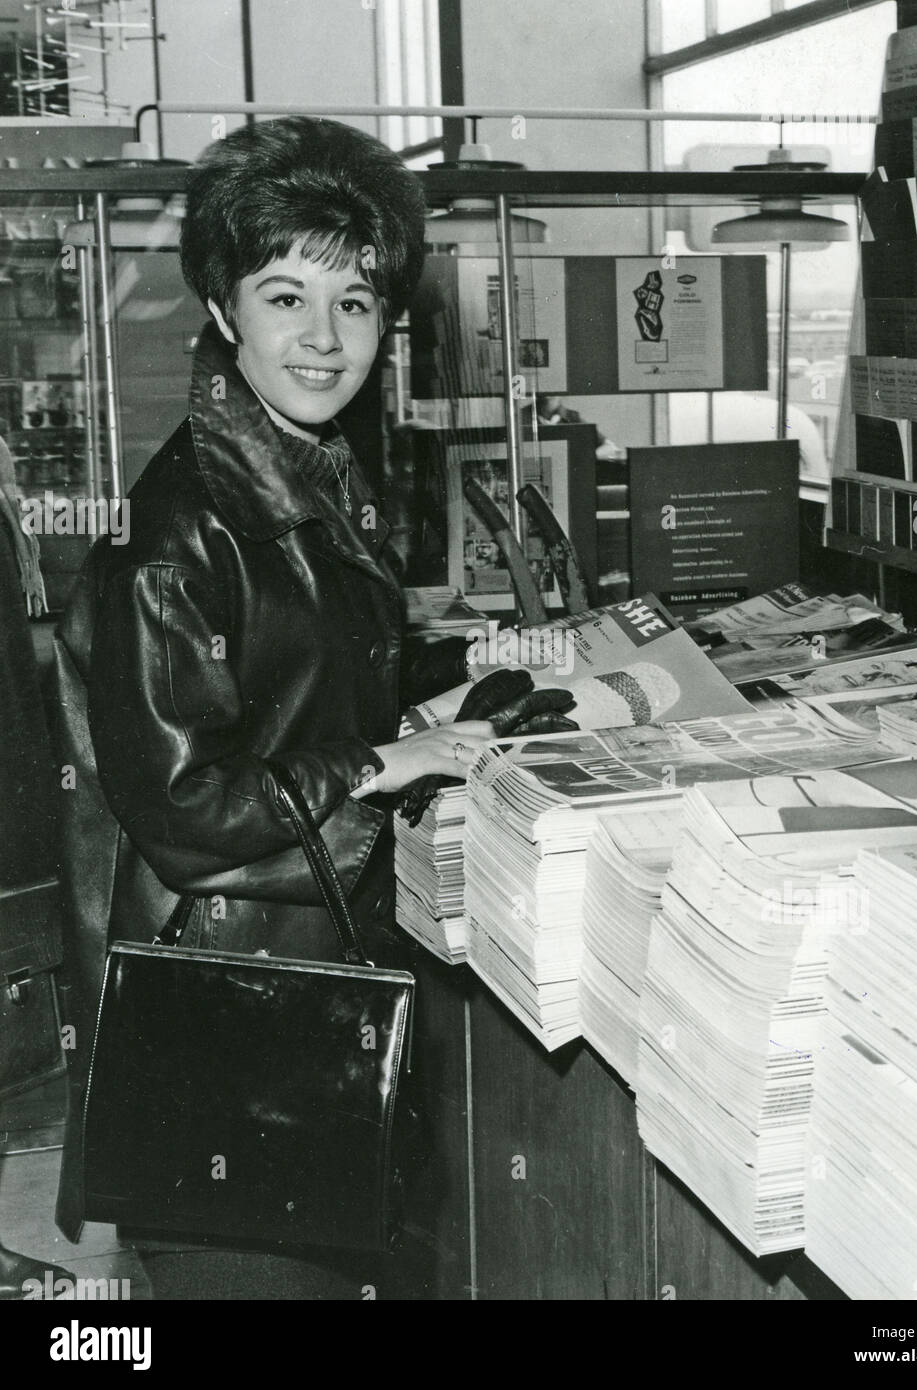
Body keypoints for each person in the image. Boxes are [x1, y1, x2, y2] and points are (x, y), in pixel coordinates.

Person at [51, 116, 572, 1296]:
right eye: (285, 296)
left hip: (301, 982)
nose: (324, 337)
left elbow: (286, 697)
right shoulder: (180, 527)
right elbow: (186, 804)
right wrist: (386, 762)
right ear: (225, 311)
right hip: (222, 1021)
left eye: (354, 301)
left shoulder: (312, 468)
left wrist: (448, 707)